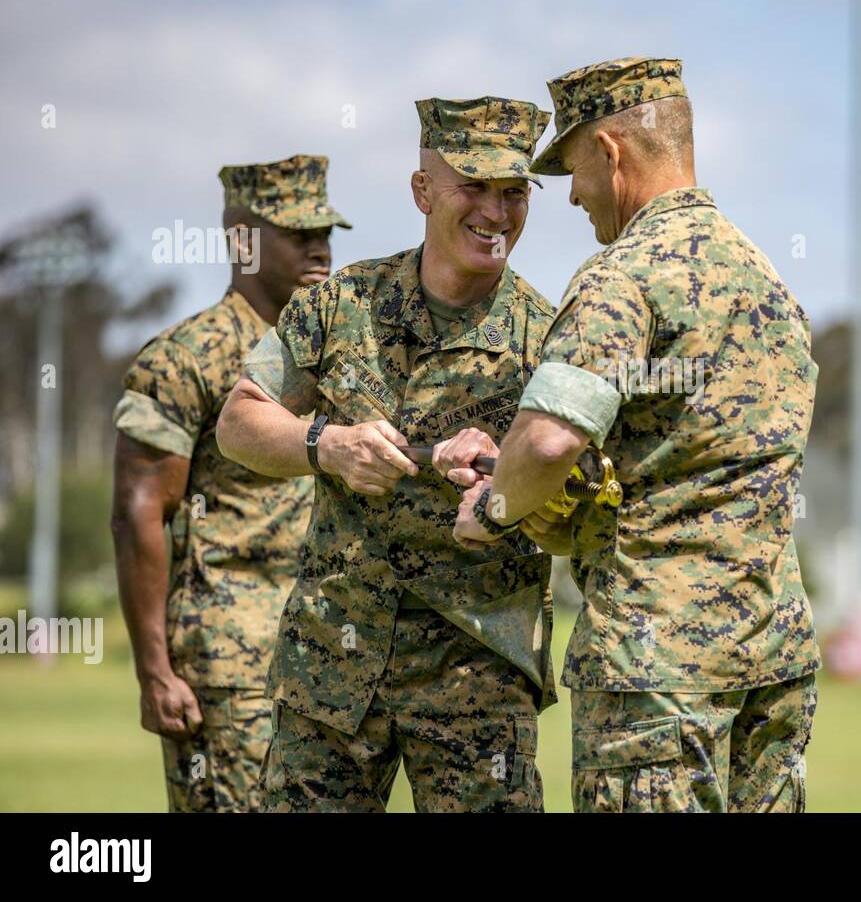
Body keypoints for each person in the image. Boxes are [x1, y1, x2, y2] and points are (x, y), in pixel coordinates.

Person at [454, 58, 821, 812]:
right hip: (773, 657)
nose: (576, 197)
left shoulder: (625, 276)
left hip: (655, 670)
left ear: (610, 152)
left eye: (573, 170)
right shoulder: (767, 279)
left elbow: (553, 440)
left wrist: (496, 505)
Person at [216, 96, 560, 812]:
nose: (496, 214)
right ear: (423, 190)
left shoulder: (550, 337)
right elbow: (239, 421)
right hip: (331, 671)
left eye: (514, 192)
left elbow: (576, 486)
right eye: (474, 187)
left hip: (477, 680)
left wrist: (507, 484)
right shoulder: (340, 305)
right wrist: (326, 444)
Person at [111, 154, 350, 811]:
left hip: (327, 656)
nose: (317, 247)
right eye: (297, 232)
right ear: (243, 238)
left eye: (325, 232)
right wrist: (155, 672)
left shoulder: (334, 349)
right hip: (230, 669)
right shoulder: (183, 358)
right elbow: (138, 516)